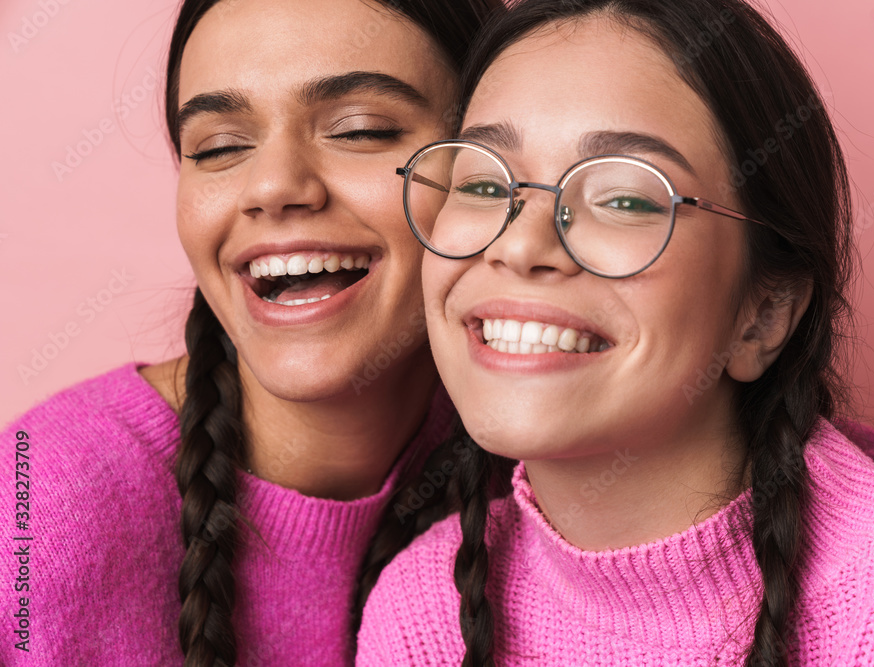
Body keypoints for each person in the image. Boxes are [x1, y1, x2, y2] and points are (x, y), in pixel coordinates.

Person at [356, 0, 874, 664]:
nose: (521, 246)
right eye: (485, 185)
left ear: (763, 313)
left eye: (625, 199)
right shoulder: (424, 607)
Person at [0, 0, 500, 665]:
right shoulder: (37, 511)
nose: (272, 186)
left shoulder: (541, 465)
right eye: (220, 147)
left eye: (360, 130)